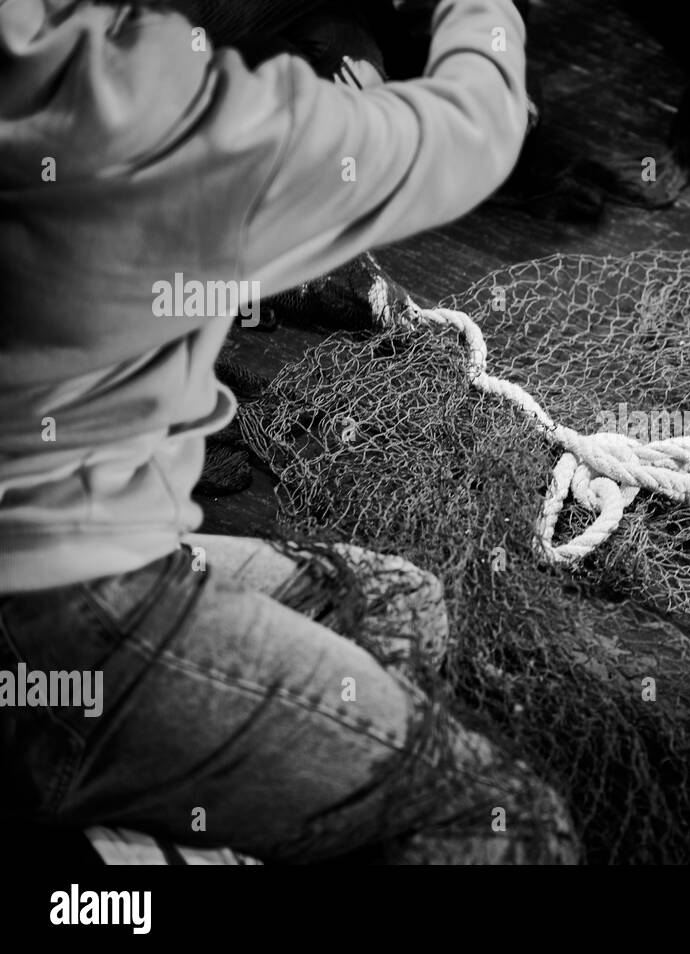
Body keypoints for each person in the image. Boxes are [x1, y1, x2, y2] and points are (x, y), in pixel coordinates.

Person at [0, 0, 578, 863]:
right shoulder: (174, 120)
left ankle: (162, 807)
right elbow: (477, 124)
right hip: (67, 610)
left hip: (64, 568)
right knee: (510, 825)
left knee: (401, 603)